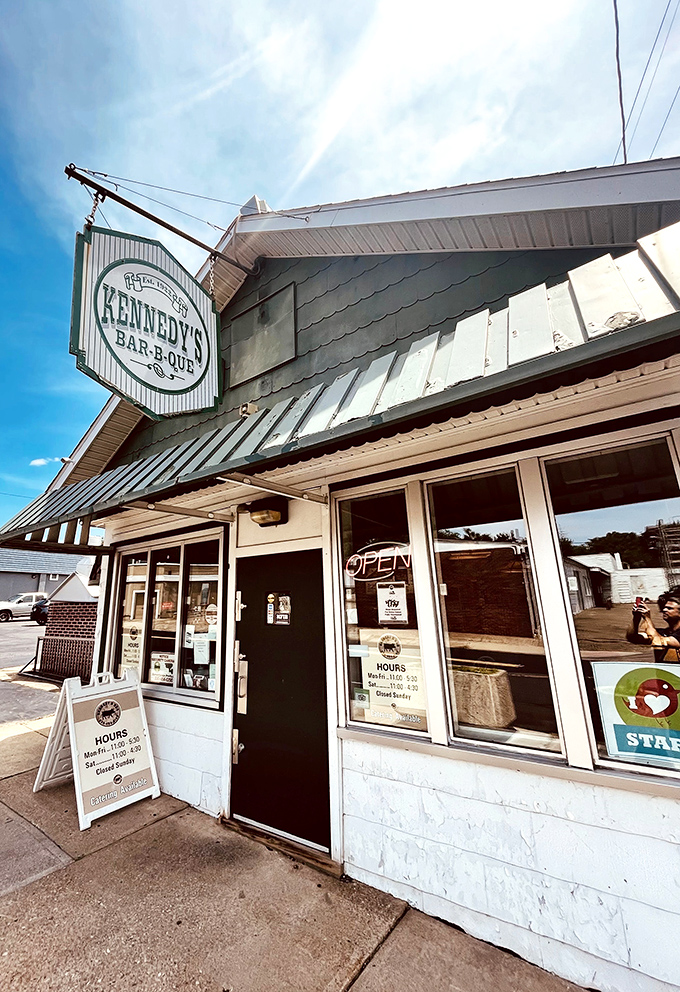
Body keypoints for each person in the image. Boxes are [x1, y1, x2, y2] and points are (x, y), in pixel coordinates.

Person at [627, 587, 680, 663]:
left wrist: (647, 618)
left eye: (669, 608)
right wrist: (636, 618)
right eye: (664, 608)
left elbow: (659, 642)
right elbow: (633, 637)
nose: (664, 610)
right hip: (664, 674)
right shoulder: (662, 633)